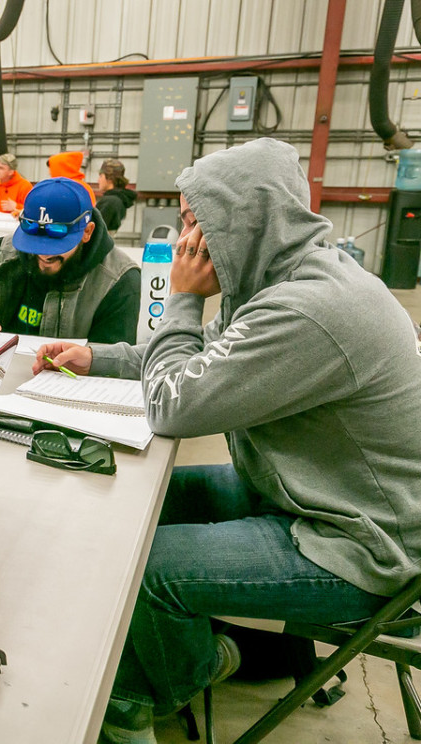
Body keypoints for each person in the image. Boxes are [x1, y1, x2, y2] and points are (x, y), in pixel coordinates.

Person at [31, 138, 421, 744]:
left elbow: (172, 403)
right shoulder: (278, 277)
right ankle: (155, 669)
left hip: (359, 544)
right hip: (303, 495)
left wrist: (182, 295)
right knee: (130, 509)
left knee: (143, 566)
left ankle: (172, 680)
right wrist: (97, 357)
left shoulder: (307, 310)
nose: (186, 239)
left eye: (196, 222)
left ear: (246, 222)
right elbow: (191, 360)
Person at [0, 176, 139, 344]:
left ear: (87, 232)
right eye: (34, 244)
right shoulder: (1, 254)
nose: (44, 255)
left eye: (57, 245)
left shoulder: (119, 279)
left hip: (72, 386)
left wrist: (91, 359)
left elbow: (116, 359)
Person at [0, 152, 32, 217]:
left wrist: (16, 206)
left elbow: (32, 211)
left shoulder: (25, 186)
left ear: (11, 172)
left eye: (1, 168)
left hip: (14, 225)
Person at [96, 158, 135, 232]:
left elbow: (94, 231)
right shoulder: (120, 199)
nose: (98, 180)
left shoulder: (110, 202)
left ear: (110, 178)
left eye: (101, 176)